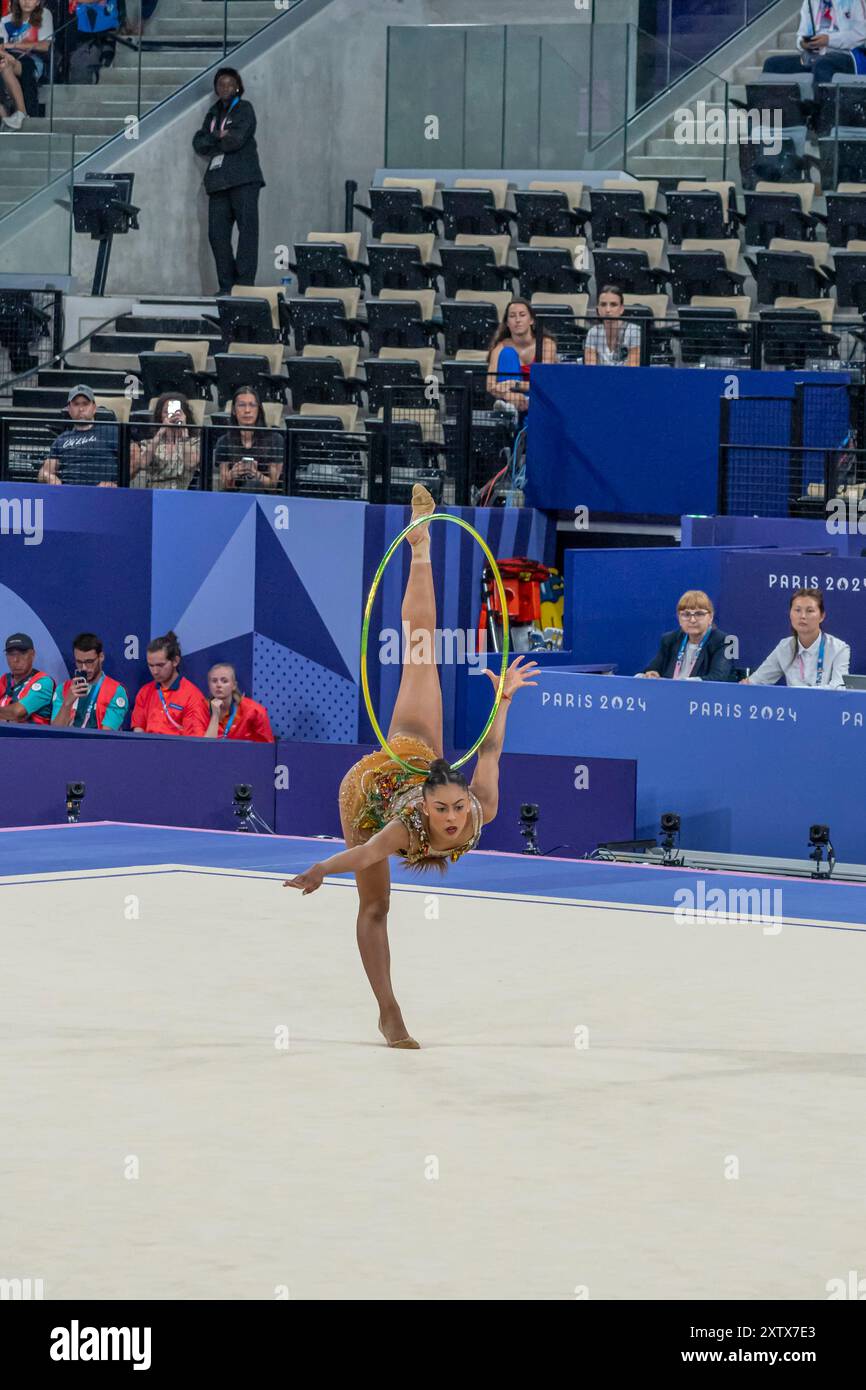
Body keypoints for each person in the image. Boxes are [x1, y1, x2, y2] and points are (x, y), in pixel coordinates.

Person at [284, 484, 540, 1049]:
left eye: (454, 809)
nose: (452, 819)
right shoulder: (403, 824)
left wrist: (503, 700)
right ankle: (388, 1010)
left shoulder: (479, 808)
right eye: (444, 809)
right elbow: (367, 853)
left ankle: (419, 543)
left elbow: (490, 754)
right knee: (375, 905)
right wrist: (324, 868)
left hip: (415, 755)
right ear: (425, 805)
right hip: (370, 789)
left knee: (422, 650)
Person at [192, 67, 264, 293]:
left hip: (244, 178)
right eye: (220, 84)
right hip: (218, 183)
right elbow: (199, 142)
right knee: (217, 236)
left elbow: (236, 140)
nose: (225, 88)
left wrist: (217, 140)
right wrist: (217, 136)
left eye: (229, 84)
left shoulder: (244, 108)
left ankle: (244, 285)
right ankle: (227, 285)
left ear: (238, 87)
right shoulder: (213, 113)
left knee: (247, 233)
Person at [741, 587, 850, 688]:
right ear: (790, 614)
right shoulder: (784, 647)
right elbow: (757, 681)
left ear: (822, 616)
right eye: (797, 610)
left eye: (810, 611)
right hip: (792, 708)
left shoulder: (839, 649)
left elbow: (839, 688)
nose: (802, 616)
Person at [763, 1, 866, 107]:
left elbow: (861, 35)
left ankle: (822, 115)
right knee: (772, 64)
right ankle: (769, 114)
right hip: (816, 56)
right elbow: (801, 35)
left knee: (823, 64)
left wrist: (829, 40)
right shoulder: (810, 2)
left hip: (848, 55)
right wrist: (803, 43)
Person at [638, 590, 733, 682]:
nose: (692, 620)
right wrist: (651, 674)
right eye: (686, 614)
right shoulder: (669, 639)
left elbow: (720, 678)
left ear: (711, 617)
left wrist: (685, 684)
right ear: (679, 618)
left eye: (699, 614)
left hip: (702, 697)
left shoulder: (729, 642)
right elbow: (651, 670)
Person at [131, 631, 210, 735]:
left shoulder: (193, 697)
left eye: (160, 665)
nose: (155, 671)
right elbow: (138, 730)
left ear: (175, 661)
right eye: (151, 665)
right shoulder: (144, 692)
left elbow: (194, 741)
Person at [38, 386, 119, 487]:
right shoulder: (61, 439)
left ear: (94, 408)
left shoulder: (111, 432)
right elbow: (43, 473)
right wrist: (49, 477)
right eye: (76, 404)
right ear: (69, 409)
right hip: (69, 493)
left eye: (85, 404)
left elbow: (134, 459)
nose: (81, 409)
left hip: (103, 495)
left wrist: (116, 484)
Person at [487, 298, 556, 413]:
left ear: (531, 320)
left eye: (522, 315)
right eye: (512, 316)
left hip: (537, 398)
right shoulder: (500, 347)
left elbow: (544, 384)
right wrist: (508, 395)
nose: (517, 320)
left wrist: (515, 384)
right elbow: (490, 385)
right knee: (507, 353)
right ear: (507, 323)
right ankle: (510, 410)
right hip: (510, 398)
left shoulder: (546, 345)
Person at [51, 632, 129, 730]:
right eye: (79, 662)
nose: (84, 668)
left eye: (89, 662)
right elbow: (55, 733)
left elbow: (106, 738)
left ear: (101, 657)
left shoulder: (116, 691)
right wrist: (67, 703)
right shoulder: (63, 689)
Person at [215, 386, 283, 492]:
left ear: (258, 409)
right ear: (233, 410)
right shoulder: (224, 442)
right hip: (234, 496)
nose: (247, 410)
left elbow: (273, 485)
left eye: (252, 405)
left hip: (263, 498)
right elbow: (224, 485)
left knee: (253, 484)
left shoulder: (275, 440)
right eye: (242, 405)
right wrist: (232, 474)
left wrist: (255, 474)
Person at [0, 0, 53, 129]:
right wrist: (8, 55)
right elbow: (1, 47)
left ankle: (21, 113)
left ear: (38, 2)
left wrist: (13, 45)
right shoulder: (6, 20)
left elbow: (44, 46)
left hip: (33, 61)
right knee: (4, 64)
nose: (26, 2)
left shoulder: (44, 14)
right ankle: (5, 116)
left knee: (4, 65)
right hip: (9, 58)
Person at [130, 393, 200, 490]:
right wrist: (160, 432)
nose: (171, 416)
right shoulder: (150, 442)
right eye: (165, 412)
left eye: (177, 412)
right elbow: (142, 463)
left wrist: (184, 431)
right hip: (155, 494)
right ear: (160, 416)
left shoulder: (193, 442)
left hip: (182, 494)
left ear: (185, 415)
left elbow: (190, 463)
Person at [204, 662, 274, 742]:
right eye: (214, 681)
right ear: (209, 685)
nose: (218, 685)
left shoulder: (254, 711)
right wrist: (215, 716)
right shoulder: (201, 709)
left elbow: (267, 750)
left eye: (224, 681)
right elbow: (204, 748)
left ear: (234, 685)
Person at [0, 632, 55, 722]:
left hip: (30, 735)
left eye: (22, 653)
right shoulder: (5, 680)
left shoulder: (44, 682)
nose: (16, 660)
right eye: (11, 654)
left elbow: (17, 713)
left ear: (32, 654)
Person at [583, 285, 641, 367]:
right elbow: (590, 369)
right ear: (598, 309)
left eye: (613, 305)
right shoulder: (593, 332)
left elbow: (632, 368)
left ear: (621, 309)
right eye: (603, 305)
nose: (608, 310)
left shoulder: (634, 331)